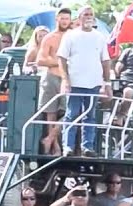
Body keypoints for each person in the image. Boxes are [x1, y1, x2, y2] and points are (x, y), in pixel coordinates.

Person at [57, 6, 111, 157]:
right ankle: (68, 147)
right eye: (85, 14)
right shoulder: (70, 35)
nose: (88, 17)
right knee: (71, 114)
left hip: (93, 84)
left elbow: (106, 61)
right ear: (79, 17)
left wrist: (107, 84)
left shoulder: (99, 37)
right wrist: (65, 79)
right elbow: (61, 58)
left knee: (90, 116)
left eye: (91, 15)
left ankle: (87, 147)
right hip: (75, 83)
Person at [35, 8, 72, 154]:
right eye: (62, 18)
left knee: (68, 112)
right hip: (51, 77)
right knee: (50, 113)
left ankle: (50, 138)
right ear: (57, 19)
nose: (64, 21)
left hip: (67, 78)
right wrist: (59, 61)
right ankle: (54, 146)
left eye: (67, 19)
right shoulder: (50, 37)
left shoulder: (73, 36)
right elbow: (40, 60)